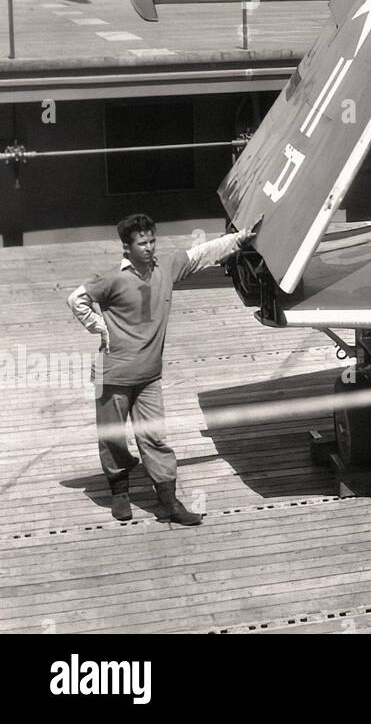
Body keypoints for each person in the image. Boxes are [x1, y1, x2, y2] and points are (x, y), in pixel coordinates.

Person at [68, 214, 252, 524]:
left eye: (152, 241)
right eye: (142, 243)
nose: (149, 248)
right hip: (112, 375)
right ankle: (120, 492)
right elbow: (76, 299)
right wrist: (98, 327)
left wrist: (240, 238)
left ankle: (169, 502)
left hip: (150, 376)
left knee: (155, 438)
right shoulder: (112, 278)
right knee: (112, 437)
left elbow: (201, 254)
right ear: (127, 247)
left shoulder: (165, 269)